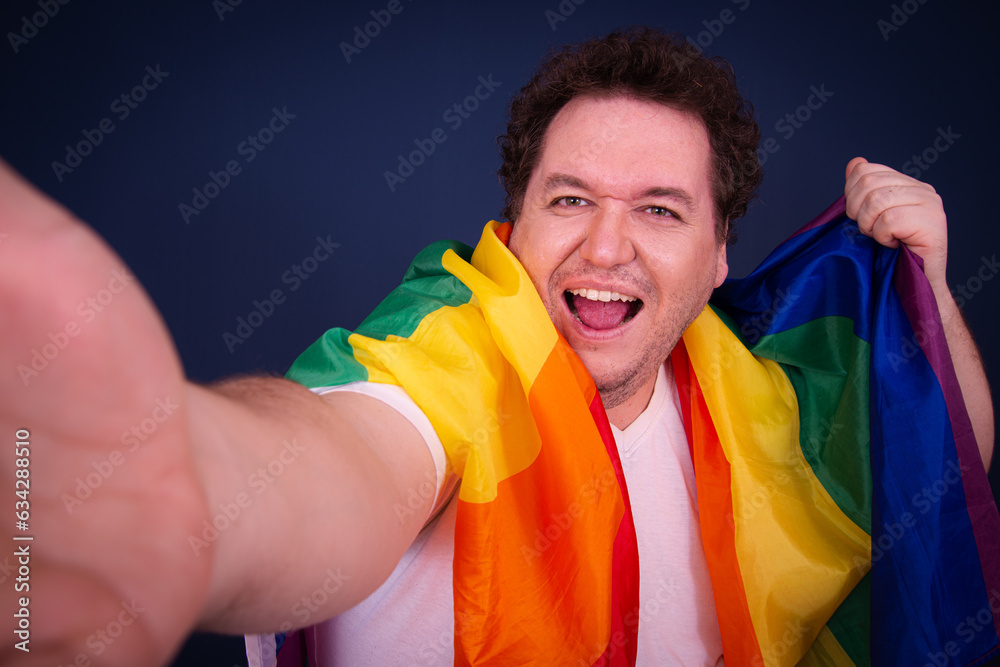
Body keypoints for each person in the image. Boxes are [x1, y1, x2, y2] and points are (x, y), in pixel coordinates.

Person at [1, 27, 995, 667]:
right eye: (570, 200)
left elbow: (940, 457)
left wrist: (922, 284)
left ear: (717, 253)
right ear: (512, 230)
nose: (605, 247)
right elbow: (334, 458)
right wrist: (161, 497)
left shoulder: (757, 405)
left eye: (658, 209)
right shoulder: (456, 351)